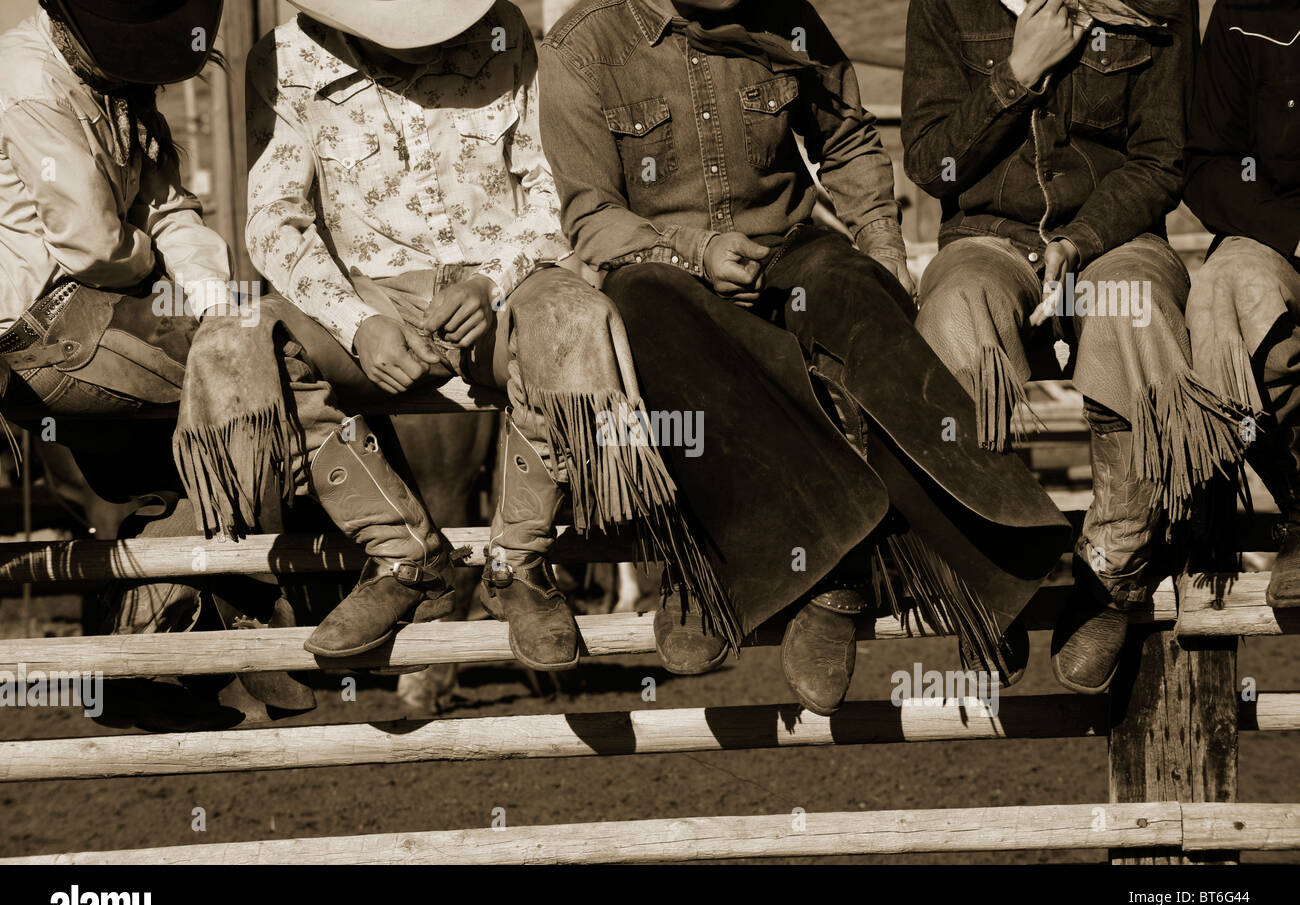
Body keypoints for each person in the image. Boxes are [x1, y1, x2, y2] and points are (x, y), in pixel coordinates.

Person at [539, 0, 1070, 715]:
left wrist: (884, 249)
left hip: (787, 250)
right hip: (662, 268)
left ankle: (986, 565)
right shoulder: (581, 48)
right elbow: (591, 214)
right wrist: (693, 251)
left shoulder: (788, 19)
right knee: (645, 313)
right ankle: (800, 570)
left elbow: (846, 139)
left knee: (857, 294)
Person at [179, 0, 694, 670]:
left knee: (573, 322)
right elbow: (275, 221)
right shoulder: (286, 60)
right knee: (230, 342)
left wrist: (492, 282)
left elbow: (551, 189)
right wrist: (355, 320)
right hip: (366, 294)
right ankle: (402, 553)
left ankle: (518, 565)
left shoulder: (511, 36)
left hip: (501, 289)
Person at [902, 0, 1249, 695]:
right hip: (984, 236)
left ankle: (1115, 566)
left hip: (1115, 238)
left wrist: (1079, 240)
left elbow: (1160, 161)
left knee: (1138, 310)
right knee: (953, 312)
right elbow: (931, 163)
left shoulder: (1152, 3)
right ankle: (986, 566)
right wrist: (1018, 71)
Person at [0, 0, 256, 730]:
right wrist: (163, 272)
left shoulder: (111, 79)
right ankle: (227, 621)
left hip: (107, 301)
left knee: (242, 350)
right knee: (257, 382)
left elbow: (171, 204)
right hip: (40, 322)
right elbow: (94, 246)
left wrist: (211, 301)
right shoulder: (26, 82)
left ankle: (149, 650)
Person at [1184, 0, 1300, 608]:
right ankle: (1299, 507)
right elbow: (1208, 162)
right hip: (1276, 232)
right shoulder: (1243, 12)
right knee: (1223, 291)